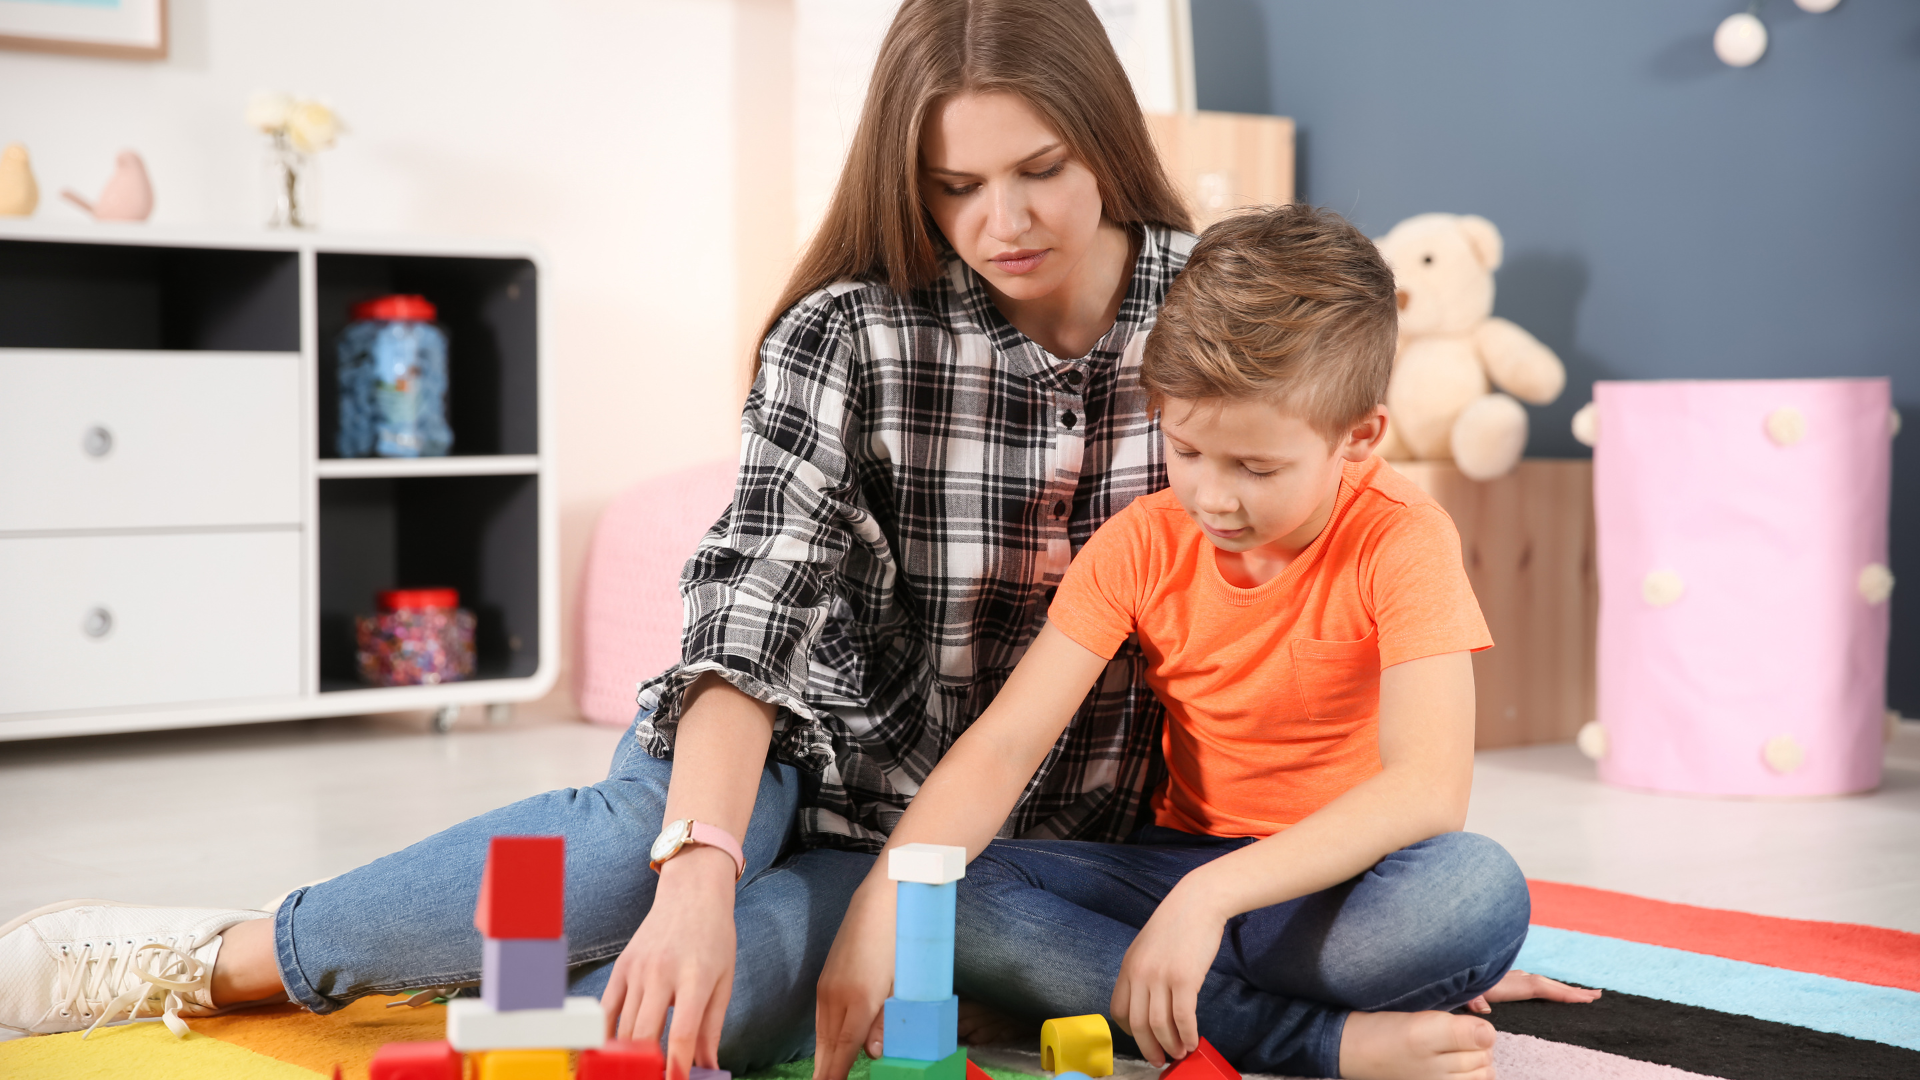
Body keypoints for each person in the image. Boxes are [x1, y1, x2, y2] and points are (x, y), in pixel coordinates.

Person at [0, 0, 1193, 1072]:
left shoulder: (1217, 317)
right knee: (639, 861)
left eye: (1041, 167)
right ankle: (229, 959)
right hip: (791, 752)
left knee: (697, 1017)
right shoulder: (852, 329)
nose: (1003, 221)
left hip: (1007, 853)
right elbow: (752, 608)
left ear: (1108, 133)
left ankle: (514, 1024)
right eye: (954, 186)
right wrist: (700, 872)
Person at [810, 206, 1597, 1080]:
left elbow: (1428, 790)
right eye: (1185, 450)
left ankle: (1121, 988)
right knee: (961, 896)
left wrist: (1208, 902)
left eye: (1257, 469)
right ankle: (1323, 1040)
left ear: (1359, 437)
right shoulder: (1139, 544)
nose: (1214, 499)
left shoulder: (1404, 537)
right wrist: (882, 901)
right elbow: (1001, 748)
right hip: (1176, 863)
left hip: (1337, 888)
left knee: (1473, 893)